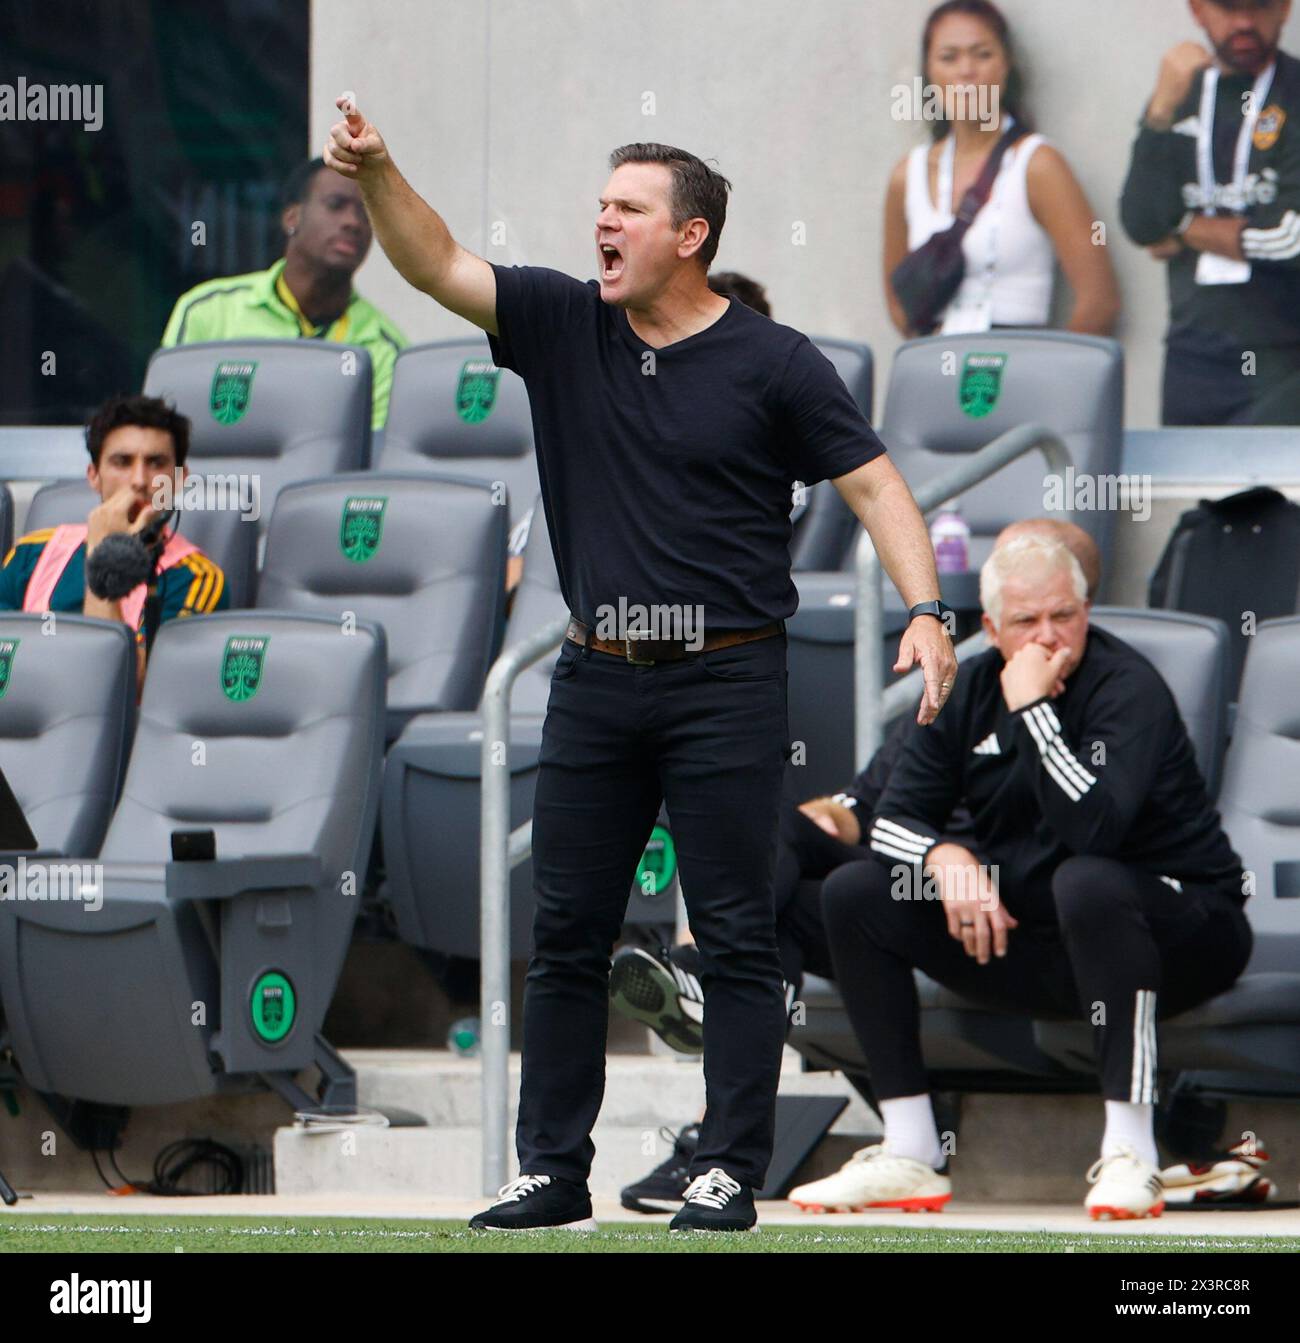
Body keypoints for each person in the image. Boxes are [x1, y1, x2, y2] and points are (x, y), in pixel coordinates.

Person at [324, 95, 957, 1233]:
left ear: (690, 234)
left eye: (626, 207)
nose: (599, 222)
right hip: (595, 674)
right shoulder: (566, 323)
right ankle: (550, 1168)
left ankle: (726, 1165)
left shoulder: (774, 361)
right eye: (597, 205)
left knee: (732, 930)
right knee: (565, 928)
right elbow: (435, 265)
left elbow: (874, 484)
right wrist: (378, 175)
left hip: (725, 676)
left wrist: (926, 608)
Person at [611, 518, 1101, 1213]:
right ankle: (715, 1137)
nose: (1030, 626)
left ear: (1079, 598)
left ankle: (704, 1020)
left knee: (805, 887)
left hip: (984, 921)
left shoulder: (1105, 693)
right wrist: (819, 824)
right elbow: (869, 799)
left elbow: (1091, 838)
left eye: (1046, 604)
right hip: (890, 888)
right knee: (767, 840)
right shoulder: (966, 686)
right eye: (1013, 609)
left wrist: (956, 855)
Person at [785, 534, 1248, 1220]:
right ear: (992, 629)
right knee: (856, 893)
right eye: (1027, 622)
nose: (1048, 637)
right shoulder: (967, 688)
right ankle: (911, 1147)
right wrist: (943, 856)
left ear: (1086, 610)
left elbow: (1096, 829)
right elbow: (890, 819)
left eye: (1063, 615)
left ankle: (1130, 1152)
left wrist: (1034, 710)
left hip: (1181, 928)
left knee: (1088, 881)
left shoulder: (1130, 688)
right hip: (1037, 938)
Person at [884, 0, 1119, 337]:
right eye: (949, 57)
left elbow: (1100, 302)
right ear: (929, 72)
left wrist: (1046, 376)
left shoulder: (1037, 165)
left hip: (1014, 367)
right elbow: (898, 302)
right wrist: (934, 360)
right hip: (934, 372)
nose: (966, 70)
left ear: (1006, 65)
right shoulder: (908, 175)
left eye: (982, 54)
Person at [1120, 0, 1300, 425]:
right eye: (1227, 6)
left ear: (1286, 8)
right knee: (1190, 489)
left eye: (1259, 6)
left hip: (1283, 359)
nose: (1243, 22)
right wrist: (1160, 111)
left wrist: (1183, 229)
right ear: (1197, 10)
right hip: (1191, 354)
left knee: (1273, 492)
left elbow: (1291, 239)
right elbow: (1141, 222)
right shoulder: (1179, 92)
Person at [161, 158, 406, 429]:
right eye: (336, 205)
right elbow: (162, 433)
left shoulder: (385, 347)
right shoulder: (208, 311)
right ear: (292, 218)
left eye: (365, 212)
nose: (353, 222)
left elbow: (371, 461)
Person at [0, 394, 229, 682]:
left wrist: (103, 548)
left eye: (156, 463)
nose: (139, 481)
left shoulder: (198, 577)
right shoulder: (30, 554)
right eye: (122, 462)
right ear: (94, 475)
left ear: (181, 479)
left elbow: (121, 686)